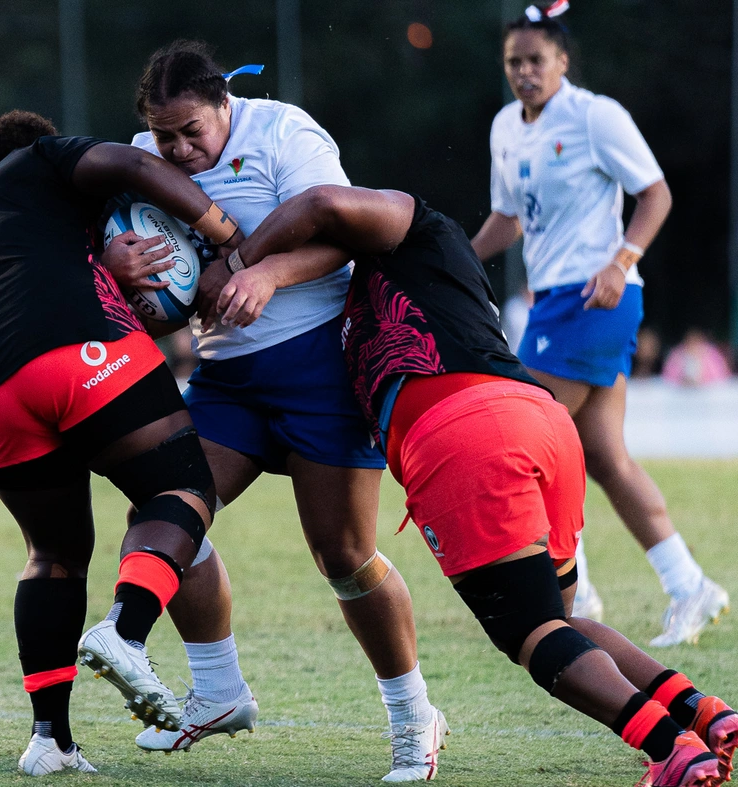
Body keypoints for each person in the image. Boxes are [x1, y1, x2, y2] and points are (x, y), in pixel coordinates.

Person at [224, 183, 736, 787]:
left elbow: (321, 205)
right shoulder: (374, 287)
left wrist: (239, 262)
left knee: (528, 632)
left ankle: (671, 748)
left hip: (466, 435)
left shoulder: (417, 228)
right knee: (559, 620)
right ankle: (705, 714)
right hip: (536, 419)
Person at [100, 40, 444, 779]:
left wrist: (270, 270)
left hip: (322, 367)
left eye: (193, 131)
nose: (181, 150)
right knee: (168, 516)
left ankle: (415, 715)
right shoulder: (140, 161)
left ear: (226, 104)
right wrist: (119, 269)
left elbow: (345, 232)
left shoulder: (286, 132)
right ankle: (219, 692)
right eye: (166, 137)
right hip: (227, 383)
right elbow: (157, 292)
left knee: (343, 556)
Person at [0, 109, 253, 776]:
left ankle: (49, 738)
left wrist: (102, 267)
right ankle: (126, 629)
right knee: (183, 487)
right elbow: (137, 165)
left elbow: (27, 268)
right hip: (67, 341)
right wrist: (228, 237)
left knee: (52, 551)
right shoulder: (40, 158)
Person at [470, 3, 728, 644]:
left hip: (597, 300)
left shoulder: (594, 117)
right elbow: (509, 217)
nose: (525, 72)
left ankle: (574, 589)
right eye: (514, 62)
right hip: (553, 304)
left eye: (536, 60)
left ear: (562, 60)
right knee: (606, 459)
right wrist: (456, 263)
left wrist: (622, 260)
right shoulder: (506, 127)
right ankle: (688, 584)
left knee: (527, 444)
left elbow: (655, 193)